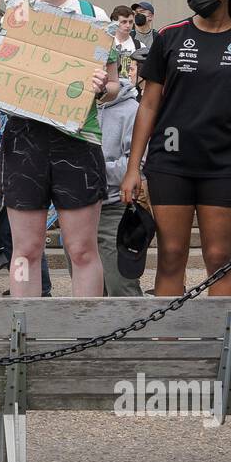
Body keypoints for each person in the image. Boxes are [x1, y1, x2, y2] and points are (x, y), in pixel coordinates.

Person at [121, 0, 231, 297]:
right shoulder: (170, 38)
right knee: (171, 255)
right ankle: (168, 348)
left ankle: (225, 347)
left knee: (218, 256)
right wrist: (134, 168)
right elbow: (148, 107)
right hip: (169, 163)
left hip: (223, 165)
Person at [0, 0, 119, 298]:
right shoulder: (16, 15)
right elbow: (0, 74)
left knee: (81, 250)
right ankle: (23, 342)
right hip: (25, 138)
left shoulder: (94, 16)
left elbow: (115, 87)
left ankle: (83, 342)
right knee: (25, 250)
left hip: (78, 139)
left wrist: (102, 84)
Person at [97, 68, 142, 297]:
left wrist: (94, 169)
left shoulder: (132, 109)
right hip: (75, 208)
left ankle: (134, 334)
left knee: (121, 287)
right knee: (85, 293)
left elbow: (136, 165)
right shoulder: (76, 103)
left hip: (114, 207)